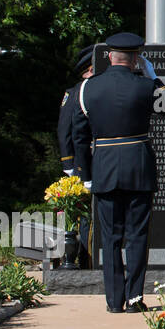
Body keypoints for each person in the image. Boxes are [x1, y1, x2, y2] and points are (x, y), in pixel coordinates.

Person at [72, 32, 165, 313]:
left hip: (105, 167)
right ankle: (134, 299)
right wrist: (154, 78)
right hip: (138, 167)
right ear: (136, 59)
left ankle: (113, 300)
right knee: (137, 235)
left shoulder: (88, 89)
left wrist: (85, 175)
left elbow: (79, 136)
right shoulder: (145, 86)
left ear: (109, 56)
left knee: (111, 237)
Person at [56, 45, 95, 269]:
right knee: (82, 214)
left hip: (103, 158)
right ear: (87, 71)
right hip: (83, 161)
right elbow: (65, 130)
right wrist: (69, 164)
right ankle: (81, 256)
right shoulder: (73, 93)